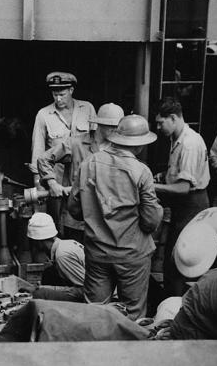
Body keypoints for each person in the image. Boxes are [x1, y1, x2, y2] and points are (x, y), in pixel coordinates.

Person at [69, 114, 164, 319]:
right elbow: (151, 222)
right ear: (139, 145)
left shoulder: (88, 164)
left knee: (95, 313)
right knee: (132, 315)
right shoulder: (141, 172)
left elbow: (74, 210)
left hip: (97, 252)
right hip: (132, 254)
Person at [32, 102, 124, 242]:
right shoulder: (76, 143)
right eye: (113, 127)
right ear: (100, 124)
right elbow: (44, 159)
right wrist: (52, 183)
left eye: (118, 127)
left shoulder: (119, 149)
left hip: (105, 220)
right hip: (75, 220)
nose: (116, 131)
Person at [154, 97, 210, 296]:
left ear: (173, 118)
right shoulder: (175, 138)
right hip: (182, 206)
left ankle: (176, 307)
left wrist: (153, 186)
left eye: (161, 123)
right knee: (173, 260)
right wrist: (165, 176)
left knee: (181, 261)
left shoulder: (189, 144)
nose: (159, 128)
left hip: (192, 205)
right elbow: (179, 174)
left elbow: (183, 188)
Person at [30, 71, 96, 236]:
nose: (58, 99)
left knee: (85, 220)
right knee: (58, 223)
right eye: (54, 94)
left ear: (71, 90)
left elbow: (97, 142)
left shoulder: (87, 108)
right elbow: (38, 153)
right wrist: (40, 185)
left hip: (83, 177)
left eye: (62, 94)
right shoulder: (43, 115)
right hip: (55, 180)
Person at [26, 212, 86, 287]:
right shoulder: (67, 243)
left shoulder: (62, 255)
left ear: (37, 241)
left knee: (41, 292)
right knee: (50, 273)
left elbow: (87, 288)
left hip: (94, 294)